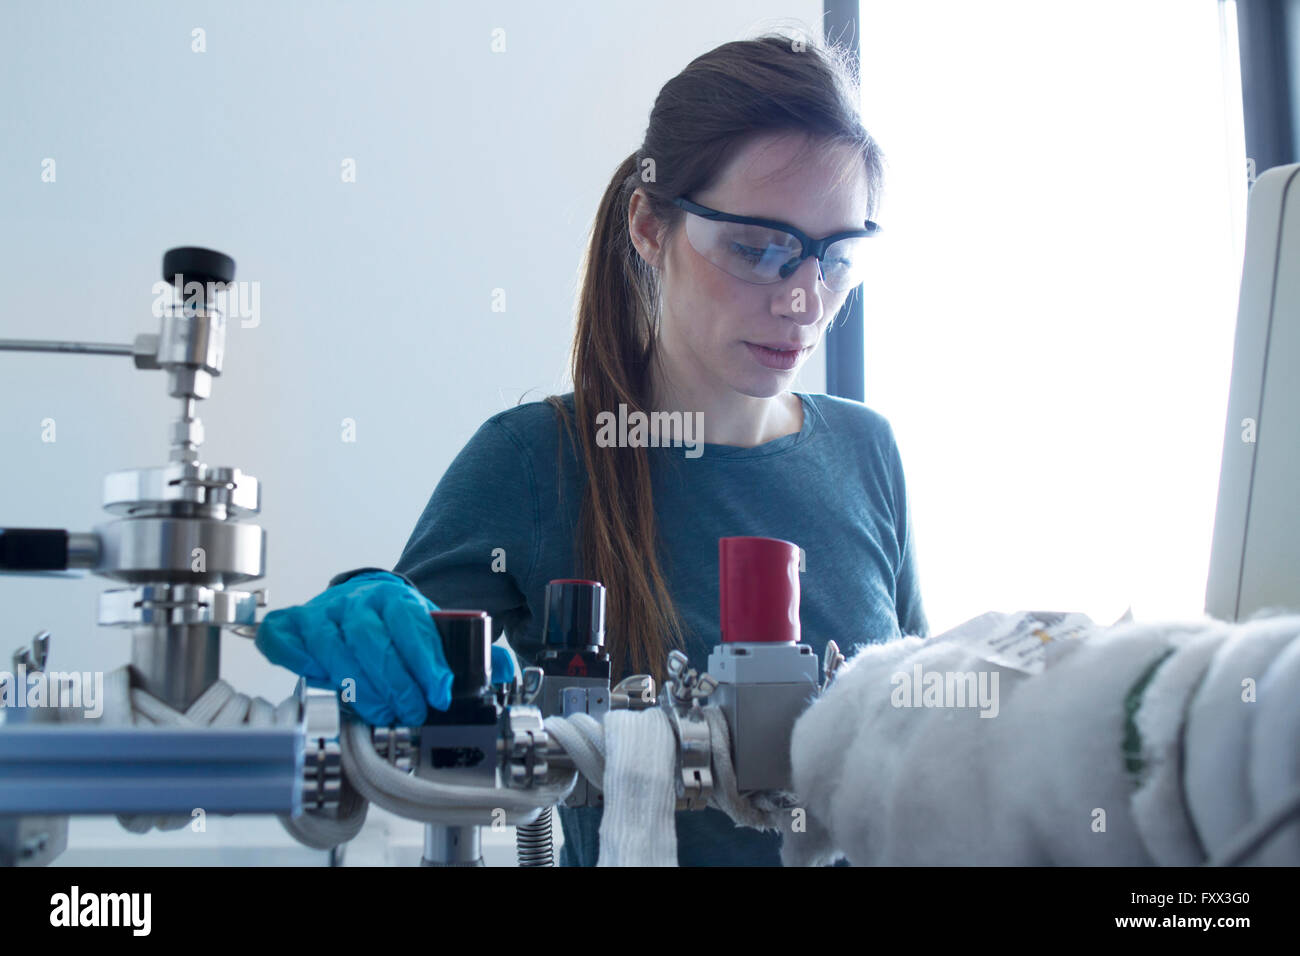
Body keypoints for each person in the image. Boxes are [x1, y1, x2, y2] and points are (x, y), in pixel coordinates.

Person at [256, 32, 929, 867]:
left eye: (838, 258)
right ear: (651, 227)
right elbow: (383, 722)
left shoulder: (868, 453)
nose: (804, 299)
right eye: (759, 248)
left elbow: (920, 743)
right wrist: (365, 621)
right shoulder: (535, 462)